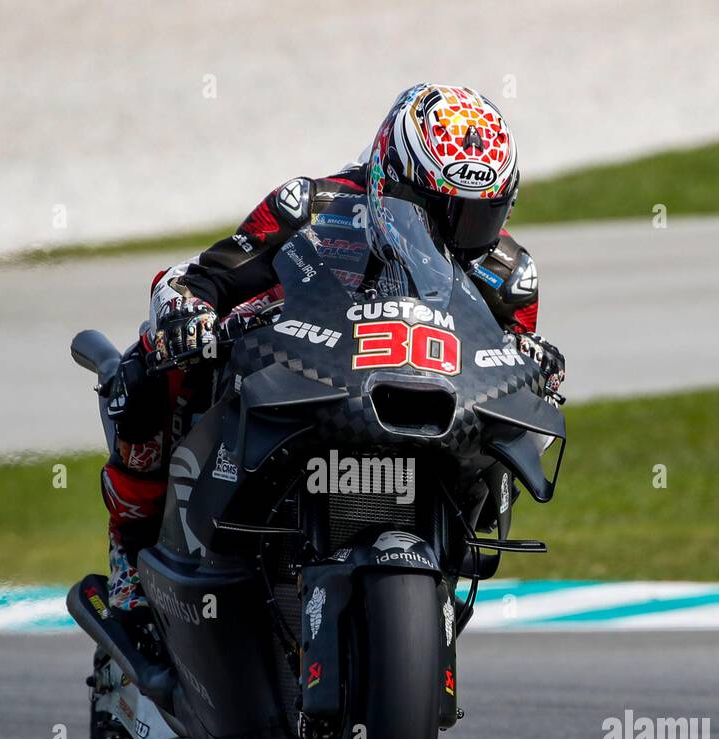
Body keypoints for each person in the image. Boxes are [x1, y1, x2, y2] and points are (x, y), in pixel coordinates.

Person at [99, 83, 565, 612]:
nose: (459, 236)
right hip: (308, 380)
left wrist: (539, 365)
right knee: (148, 365)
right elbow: (201, 280)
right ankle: (129, 555)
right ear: (394, 181)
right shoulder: (310, 207)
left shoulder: (508, 275)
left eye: (481, 215)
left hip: (431, 411)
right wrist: (189, 315)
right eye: (442, 212)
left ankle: (439, 579)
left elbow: (517, 361)